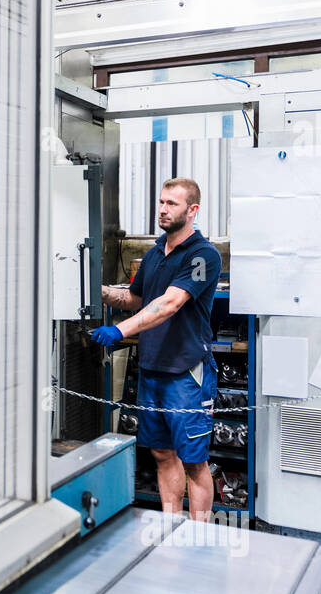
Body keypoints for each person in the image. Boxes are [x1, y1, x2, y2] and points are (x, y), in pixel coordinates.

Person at [90, 178, 222, 521]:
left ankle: (199, 533)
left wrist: (119, 330)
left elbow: (169, 304)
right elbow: (135, 299)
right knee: (162, 454)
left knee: (194, 461)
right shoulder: (153, 254)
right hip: (152, 370)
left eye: (172, 204)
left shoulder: (202, 255)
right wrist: (95, 289)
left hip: (186, 373)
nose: (162, 209)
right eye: (161, 202)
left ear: (192, 210)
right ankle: (170, 526)